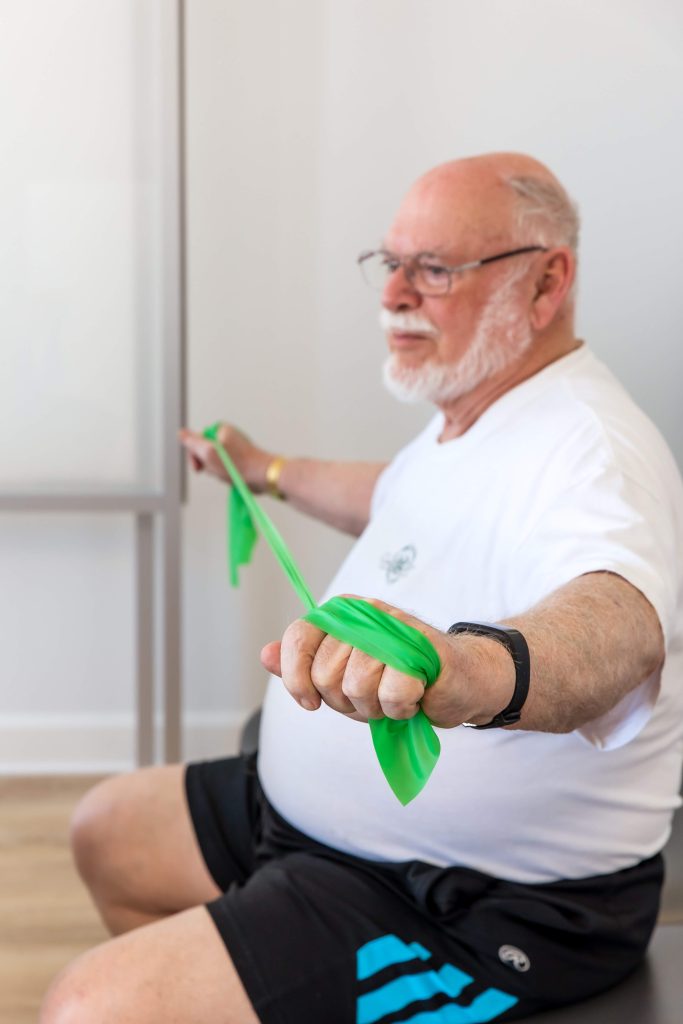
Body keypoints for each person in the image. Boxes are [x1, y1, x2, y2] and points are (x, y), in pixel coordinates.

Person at [41, 153, 683, 1024]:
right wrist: (266, 469)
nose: (392, 296)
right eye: (390, 265)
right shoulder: (475, 416)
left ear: (545, 282)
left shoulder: (592, 448)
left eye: (434, 270)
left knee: (92, 1006)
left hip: (471, 902)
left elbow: (620, 623)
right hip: (327, 837)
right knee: (109, 829)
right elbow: (396, 496)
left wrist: (463, 669)